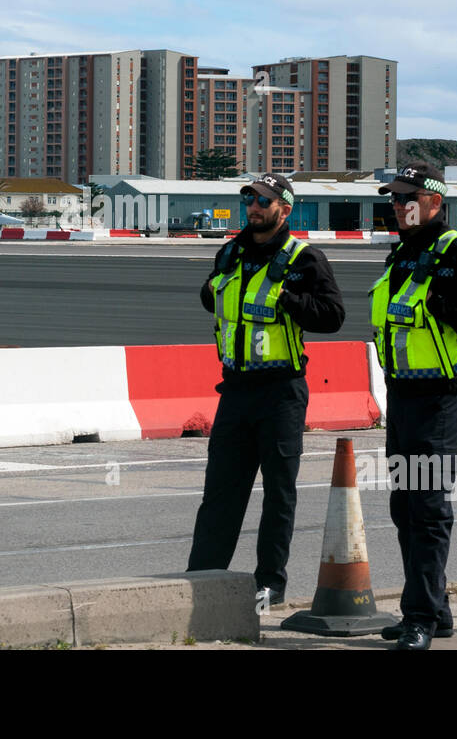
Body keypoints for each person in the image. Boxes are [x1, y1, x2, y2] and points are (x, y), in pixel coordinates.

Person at [187, 172, 346, 605]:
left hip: (281, 392)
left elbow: (332, 316)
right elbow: (214, 297)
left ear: (284, 209)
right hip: (234, 390)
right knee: (221, 491)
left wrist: (289, 301)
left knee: (278, 493)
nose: (254, 207)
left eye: (263, 201)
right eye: (250, 200)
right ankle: (204, 576)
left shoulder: (303, 258)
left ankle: (269, 584)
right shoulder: (231, 252)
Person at [373, 162, 457, 650]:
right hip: (403, 395)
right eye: (393, 198)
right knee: (405, 506)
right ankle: (436, 610)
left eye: (406, 197)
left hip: (441, 399)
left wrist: (442, 309)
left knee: (426, 508)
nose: (397, 205)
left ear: (434, 202)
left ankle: (420, 617)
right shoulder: (401, 255)